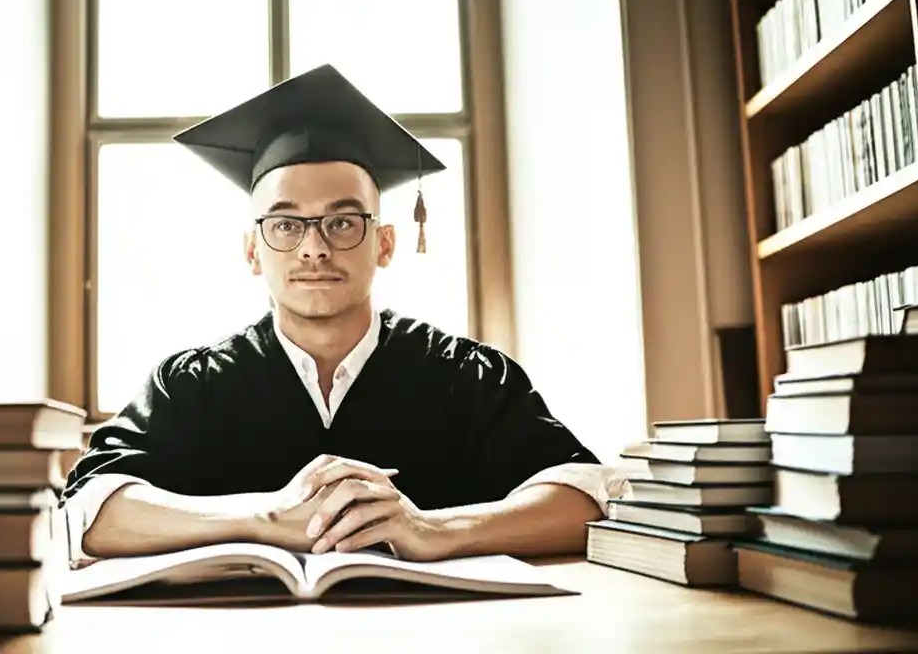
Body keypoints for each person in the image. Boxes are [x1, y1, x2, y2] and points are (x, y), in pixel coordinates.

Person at [59, 64, 623, 565]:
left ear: (385, 243)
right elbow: (89, 510)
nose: (314, 249)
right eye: (285, 224)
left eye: (343, 221)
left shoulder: (464, 375)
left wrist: (431, 529)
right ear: (253, 252)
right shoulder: (192, 385)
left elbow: (584, 497)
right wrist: (260, 520)